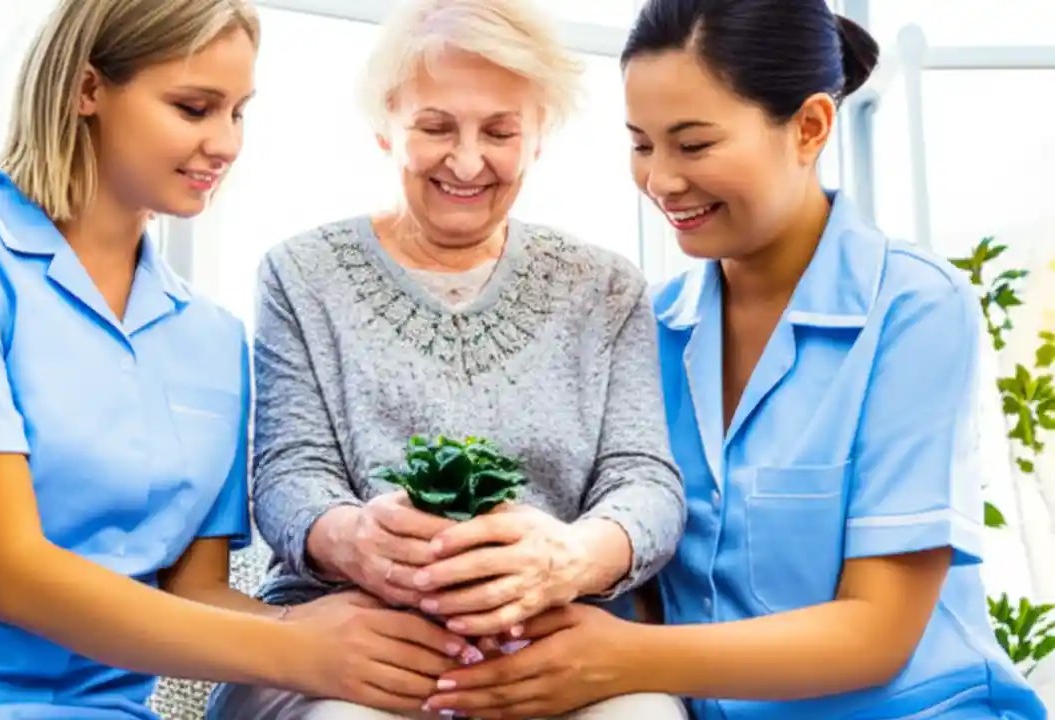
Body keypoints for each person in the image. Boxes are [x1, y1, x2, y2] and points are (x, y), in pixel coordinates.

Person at [0, 1, 473, 717]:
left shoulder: (211, 337)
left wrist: (401, 647)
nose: (225, 142)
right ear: (87, 91)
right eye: (194, 107)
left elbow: (195, 592)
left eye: (238, 113)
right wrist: (301, 647)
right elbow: (4, 571)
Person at [420, 1, 1051, 718]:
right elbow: (636, 571)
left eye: (693, 145)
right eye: (641, 145)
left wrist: (615, 657)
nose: (661, 180)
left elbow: (877, 633)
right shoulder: (648, 327)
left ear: (809, 127)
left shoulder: (912, 308)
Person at [206, 1, 689, 718]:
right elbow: (287, 476)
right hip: (350, 638)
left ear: (538, 137)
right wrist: (355, 539)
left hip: (550, 643)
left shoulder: (606, 286)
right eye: (435, 128)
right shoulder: (301, 274)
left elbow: (644, 480)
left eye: (500, 131)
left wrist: (569, 557)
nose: (467, 161)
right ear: (385, 126)